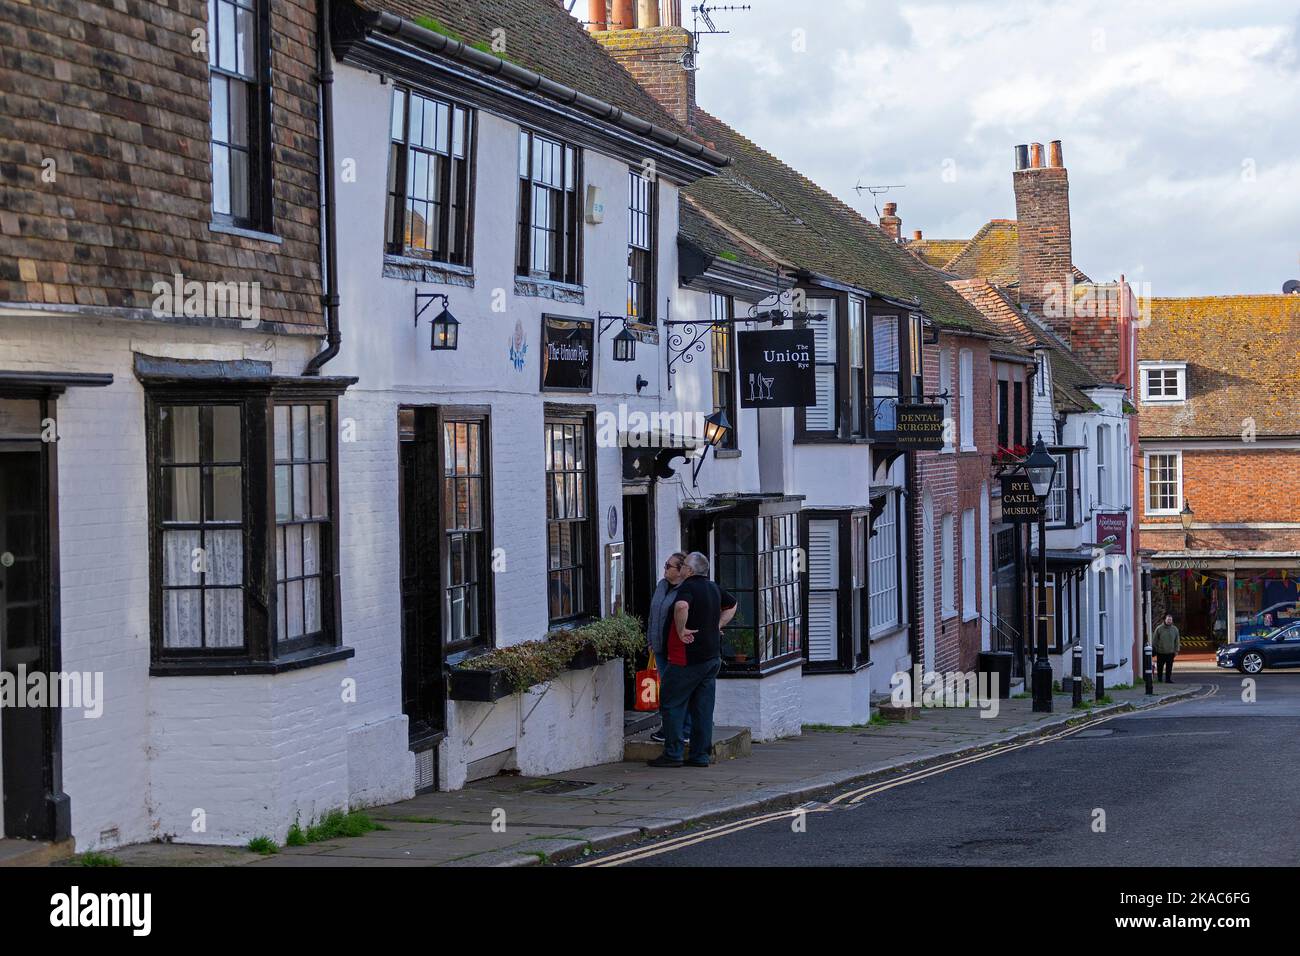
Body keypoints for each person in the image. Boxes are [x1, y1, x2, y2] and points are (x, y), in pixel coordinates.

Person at [648, 552, 737, 768]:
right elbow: (733, 605)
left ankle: (673, 753)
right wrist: (717, 625)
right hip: (711, 657)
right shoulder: (714, 587)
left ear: (691, 570)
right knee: (702, 708)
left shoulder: (688, 587)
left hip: (687, 658)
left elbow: (681, 607)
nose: (683, 569)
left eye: (685, 565)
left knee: (671, 703)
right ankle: (700, 755)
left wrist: (680, 630)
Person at [645, 552, 689, 744]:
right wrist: (650, 641)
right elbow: (653, 615)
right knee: (666, 690)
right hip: (659, 648)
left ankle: (682, 729)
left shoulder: (685, 590)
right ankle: (671, 728)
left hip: (676, 649)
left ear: (680, 571)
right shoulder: (661, 586)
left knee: (677, 690)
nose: (664, 569)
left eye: (668, 566)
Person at [1153, 613, 1180, 683]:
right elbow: (1155, 640)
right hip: (1161, 652)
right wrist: (1154, 649)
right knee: (1160, 667)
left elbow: (1177, 641)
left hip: (1170, 652)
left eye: (1170, 620)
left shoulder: (1175, 629)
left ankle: (1168, 679)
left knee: (1169, 667)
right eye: (1168, 619)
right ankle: (1159, 679)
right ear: (1165, 620)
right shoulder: (1159, 629)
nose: (1169, 621)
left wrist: (1176, 650)